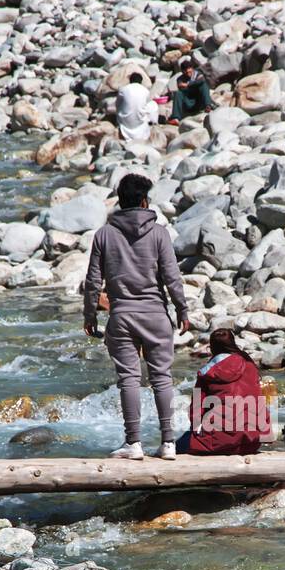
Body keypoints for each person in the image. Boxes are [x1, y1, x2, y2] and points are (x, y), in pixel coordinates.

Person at [83, 173, 189, 460]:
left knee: (129, 379)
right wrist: (182, 309)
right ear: (144, 201)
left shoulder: (104, 234)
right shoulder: (159, 233)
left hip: (122, 316)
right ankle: (168, 443)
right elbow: (172, 277)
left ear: (120, 201)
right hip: (156, 315)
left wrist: (90, 314)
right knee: (162, 378)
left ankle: (134, 443)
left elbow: (93, 281)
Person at [177, 329, 266, 456]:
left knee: (178, 445)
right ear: (233, 344)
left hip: (219, 443)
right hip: (251, 441)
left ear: (211, 348)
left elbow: (195, 414)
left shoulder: (206, 373)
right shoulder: (250, 366)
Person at [115, 73, 159, 143]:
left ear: (130, 80)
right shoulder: (145, 90)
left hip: (125, 122)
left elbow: (117, 104)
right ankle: (154, 123)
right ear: (141, 81)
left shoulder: (123, 89)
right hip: (139, 122)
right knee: (153, 104)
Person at [169, 60, 213, 125]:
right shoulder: (180, 79)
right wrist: (192, 85)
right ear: (182, 71)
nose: (187, 71)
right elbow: (180, 86)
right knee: (178, 93)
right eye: (185, 70)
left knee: (204, 86)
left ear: (192, 68)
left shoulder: (198, 74)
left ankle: (208, 106)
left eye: (189, 68)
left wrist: (188, 85)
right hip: (188, 102)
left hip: (199, 102)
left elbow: (201, 80)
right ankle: (176, 118)